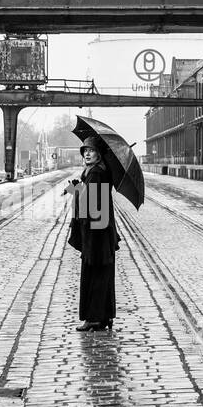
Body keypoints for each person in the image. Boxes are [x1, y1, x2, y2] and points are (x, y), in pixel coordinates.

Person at [64, 137, 120, 332]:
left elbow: (93, 206)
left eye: (91, 150)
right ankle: (104, 316)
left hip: (96, 234)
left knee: (94, 274)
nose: (87, 153)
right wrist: (78, 187)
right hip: (101, 232)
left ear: (99, 154)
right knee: (102, 274)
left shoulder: (96, 173)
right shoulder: (96, 172)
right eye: (85, 150)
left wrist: (77, 191)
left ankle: (95, 318)